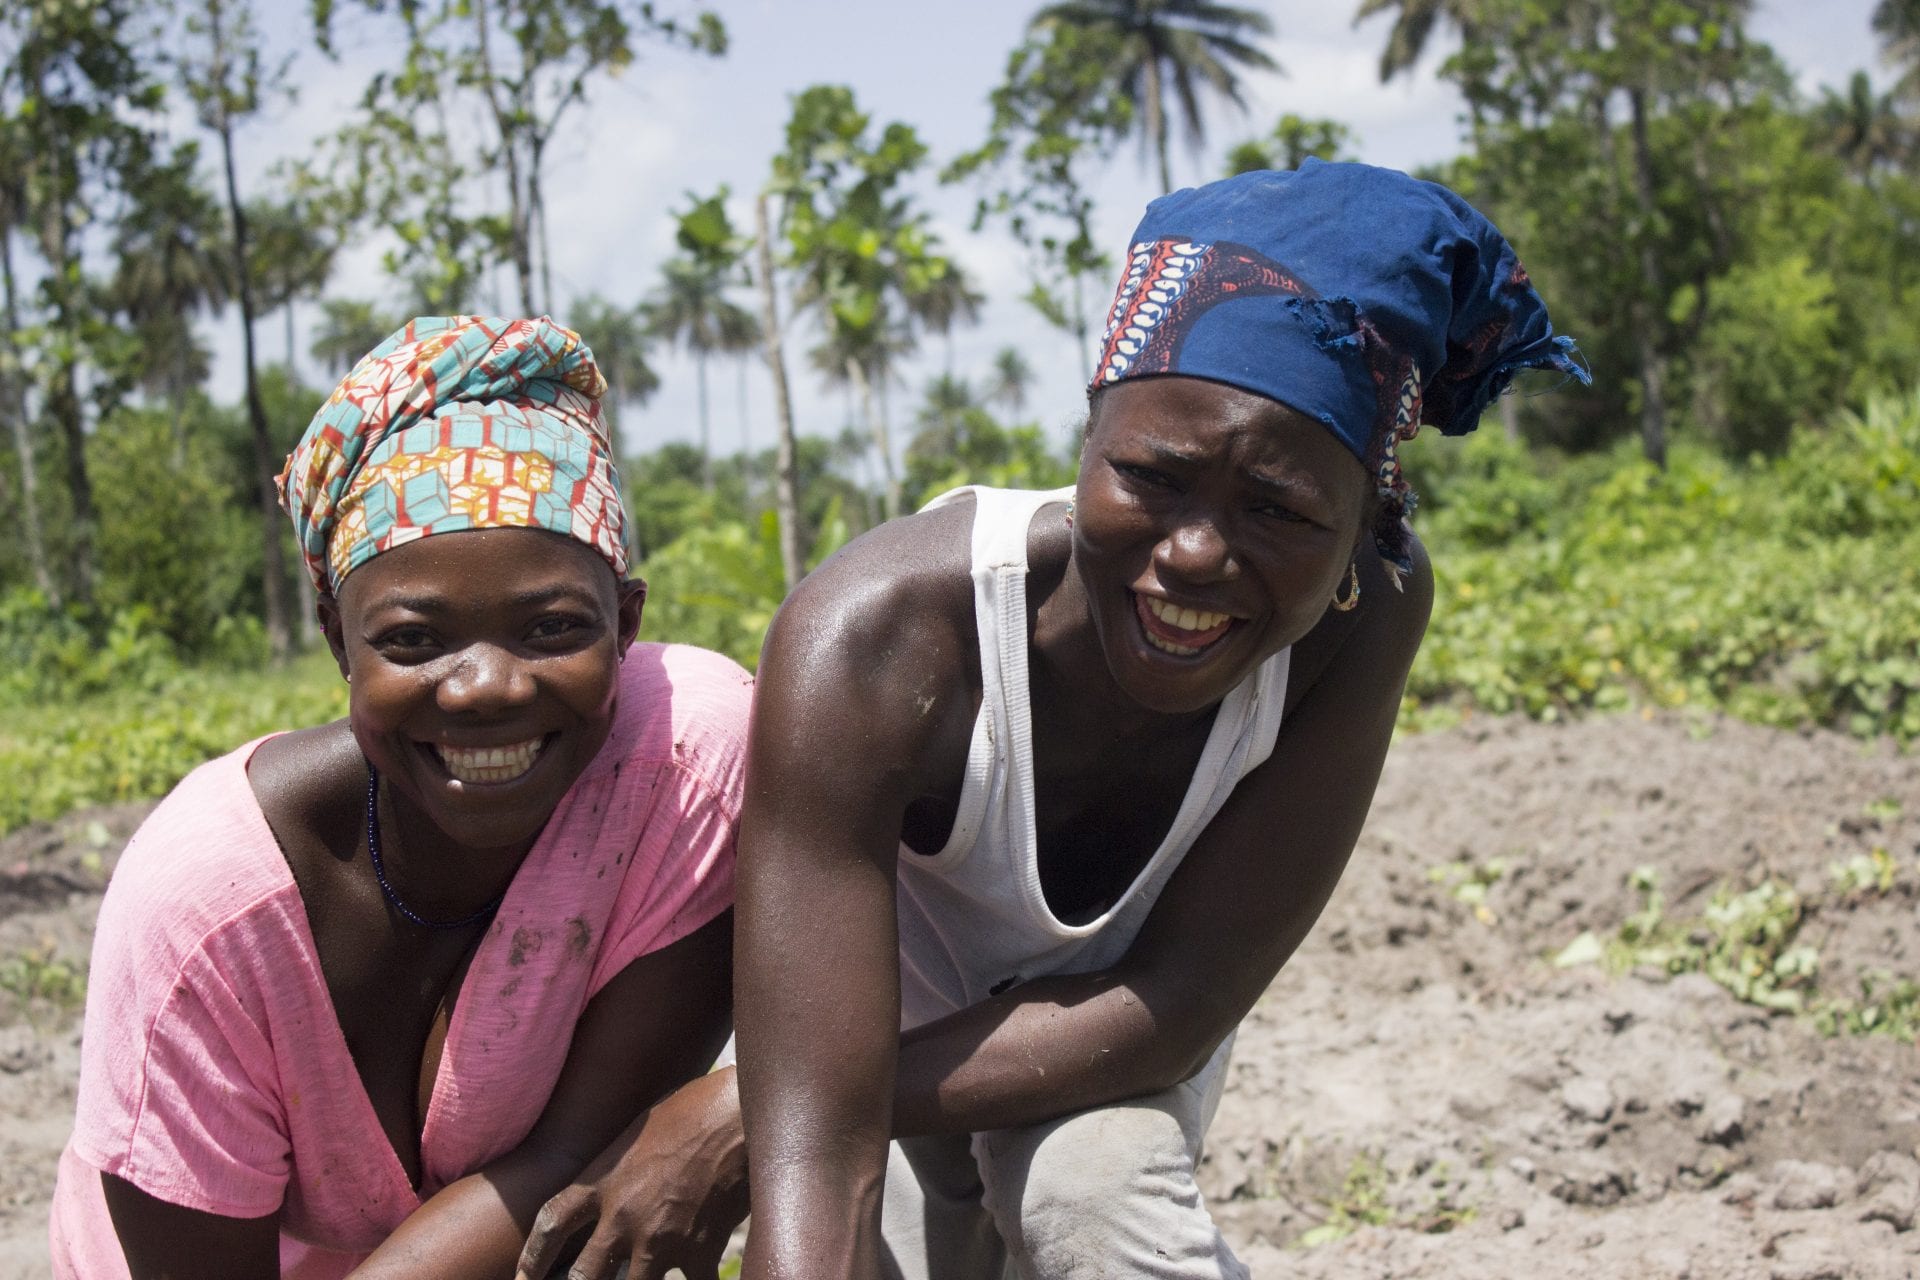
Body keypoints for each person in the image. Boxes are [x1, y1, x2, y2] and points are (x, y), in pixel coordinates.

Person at [730, 161, 1588, 1280]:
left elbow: (1175, 1002)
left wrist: (773, 1110)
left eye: (1279, 509)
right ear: (1088, 438)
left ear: (1362, 528)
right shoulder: (882, 634)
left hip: (1111, 1039)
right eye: (1153, 475)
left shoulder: (1365, 618)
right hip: (859, 1010)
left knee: (1093, 1188)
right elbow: (813, 1169)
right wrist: (803, 1114)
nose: (1192, 553)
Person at [47, 316, 753, 1279]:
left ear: (625, 623)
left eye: (551, 627)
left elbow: (572, 1161)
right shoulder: (203, 914)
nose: (487, 687)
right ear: (340, 641)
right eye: (415, 641)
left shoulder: (681, 769)